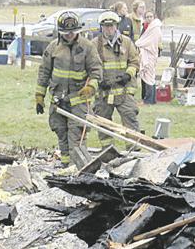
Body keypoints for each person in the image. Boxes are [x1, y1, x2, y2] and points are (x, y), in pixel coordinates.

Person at [35, 9, 101, 168]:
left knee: (76, 137)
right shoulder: (53, 48)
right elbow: (44, 72)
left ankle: (79, 168)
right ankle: (66, 167)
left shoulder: (88, 47)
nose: (70, 35)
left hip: (78, 102)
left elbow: (96, 71)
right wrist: (39, 96)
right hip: (58, 101)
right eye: (66, 32)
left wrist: (91, 87)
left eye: (72, 32)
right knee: (61, 134)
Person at [93, 10, 141, 143]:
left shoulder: (126, 42)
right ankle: (108, 150)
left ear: (117, 26)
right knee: (103, 122)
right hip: (104, 92)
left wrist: (128, 75)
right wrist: (99, 80)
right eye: (106, 26)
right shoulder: (94, 44)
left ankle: (133, 149)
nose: (109, 29)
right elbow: (91, 66)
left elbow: (135, 62)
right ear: (101, 27)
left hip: (124, 91)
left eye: (111, 26)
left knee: (130, 118)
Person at [136, 12, 163, 105]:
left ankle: (149, 99)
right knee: (147, 76)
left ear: (154, 17)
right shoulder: (146, 27)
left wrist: (138, 43)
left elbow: (150, 41)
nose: (149, 18)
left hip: (151, 53)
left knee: (149, 77)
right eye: (147, 17)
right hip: (145, 53)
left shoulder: (155, 28)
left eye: (151, 16)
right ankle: (149, 98)